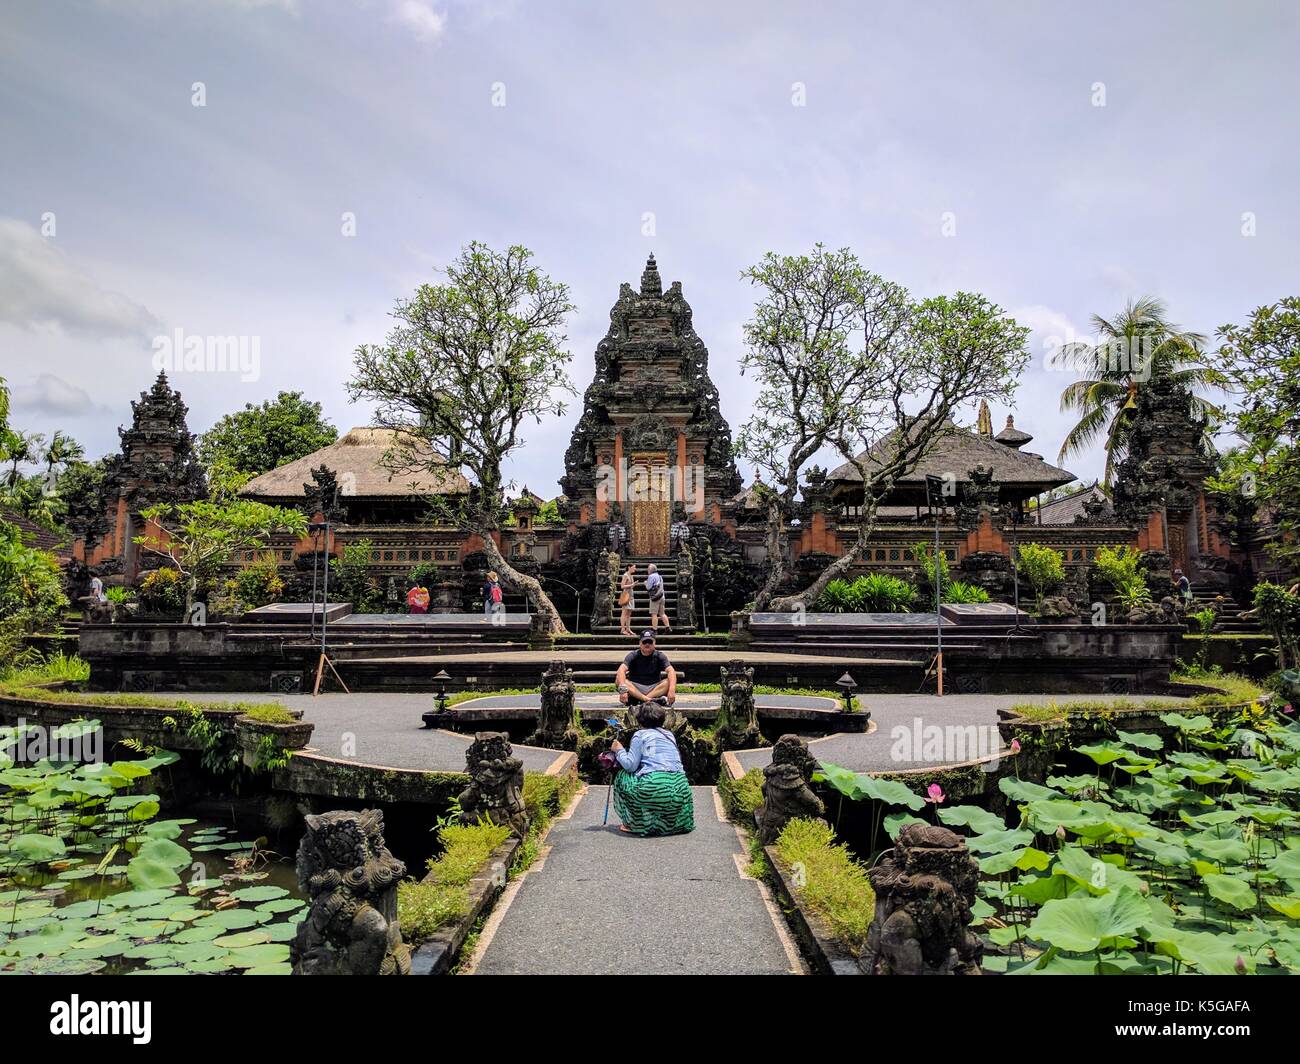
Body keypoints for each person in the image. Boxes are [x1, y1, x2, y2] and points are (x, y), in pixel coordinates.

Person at [608, 701, 694, 836]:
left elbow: (630, 766)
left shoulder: (639, 735)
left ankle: (634, 823)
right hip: (681, 787)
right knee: (662, 788)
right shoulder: (669, 734)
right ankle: (671, 824)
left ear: (639, 720)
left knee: (624, 775)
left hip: (653, 787)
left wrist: (619, 751)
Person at [616, 630, 676, 708]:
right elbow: (621, 670)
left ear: (654, 643)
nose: (647, 644)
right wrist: (623, 690)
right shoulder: (633, 655)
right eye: (644, 642)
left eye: (650, 642)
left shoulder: (659, 655)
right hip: (635, 688)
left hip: (654, 688)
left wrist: (672, 690)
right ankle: (648, 700)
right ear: (640, 643)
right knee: (618, 680)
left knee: (669, 681)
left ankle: (641, 700)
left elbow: (671, 671)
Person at [645, 562, 670, 633]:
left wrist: (645, 583)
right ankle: (668, 628)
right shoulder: (660, 576)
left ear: (650, 570)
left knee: (654, 614)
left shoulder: (651, 576)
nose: (647, 571)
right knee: (662, 613)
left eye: (648, 569)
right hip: (662, 596)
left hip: (655, 597)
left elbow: (648, 587)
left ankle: (655, 630)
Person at [618, 562, 636, 637]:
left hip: (631, 595)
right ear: (629, 567)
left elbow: (631, 586)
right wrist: (631, 585)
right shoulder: (625, 575)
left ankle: (628, 628)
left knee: (629, 613)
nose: (635, 569)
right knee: (624, 612)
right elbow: (622, 586)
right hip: (626, 595)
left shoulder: (631, 576)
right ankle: (623, 629)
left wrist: (633, 585)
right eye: (633, 567)